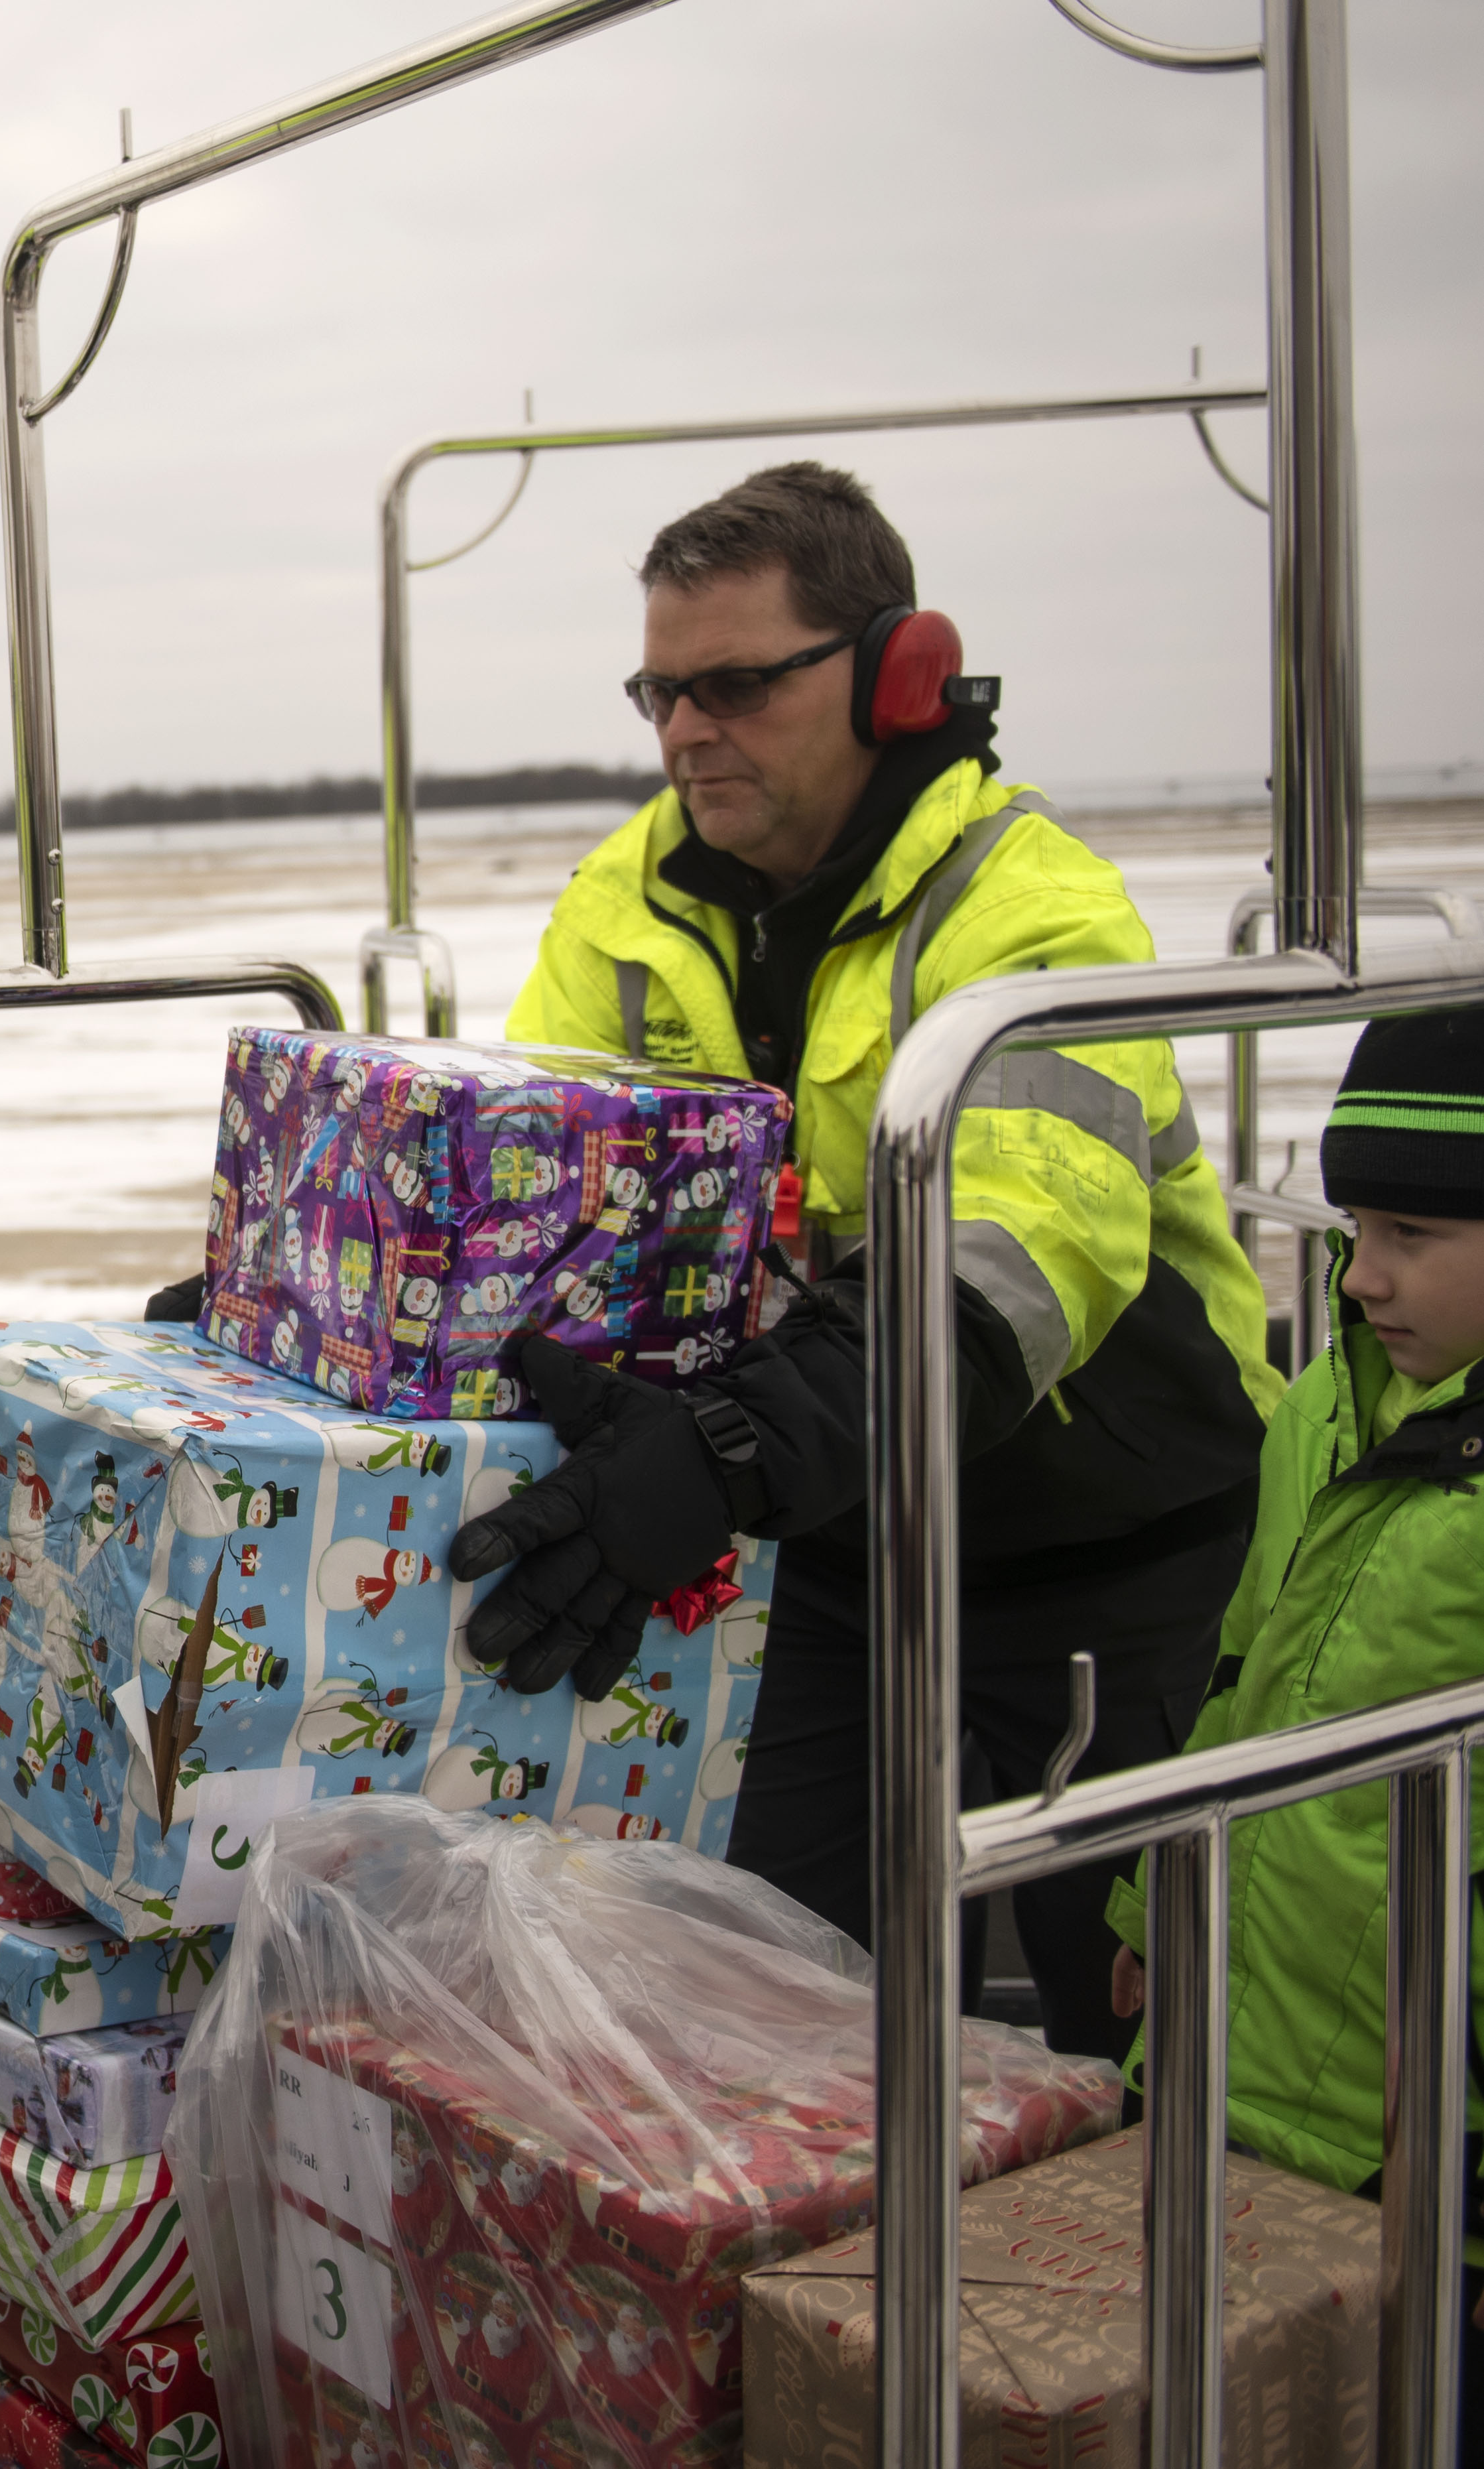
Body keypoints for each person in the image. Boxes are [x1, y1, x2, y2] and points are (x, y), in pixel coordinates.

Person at [444, 462, 1282, 2062]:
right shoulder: (623, 900)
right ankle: (848, 2299)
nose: (688, 729)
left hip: (1109, 1554)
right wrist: (300, 1321)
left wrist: (725, 1441)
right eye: (659, 689)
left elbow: (1001, 1272)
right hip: (822, 1538)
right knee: (774, 2013)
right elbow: (534, 1185)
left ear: (897, 671)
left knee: (1144, 2038)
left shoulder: (1032, 911)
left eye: (737, 683)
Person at [1105, 1004, 1484, 2395]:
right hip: (1244, 2034)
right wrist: (1151, 1903)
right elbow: (1238, 1671)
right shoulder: (1321, 1401)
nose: (1362, 1272)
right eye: (1349, 1229)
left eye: (1412, 1236)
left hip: (1425, 2101)